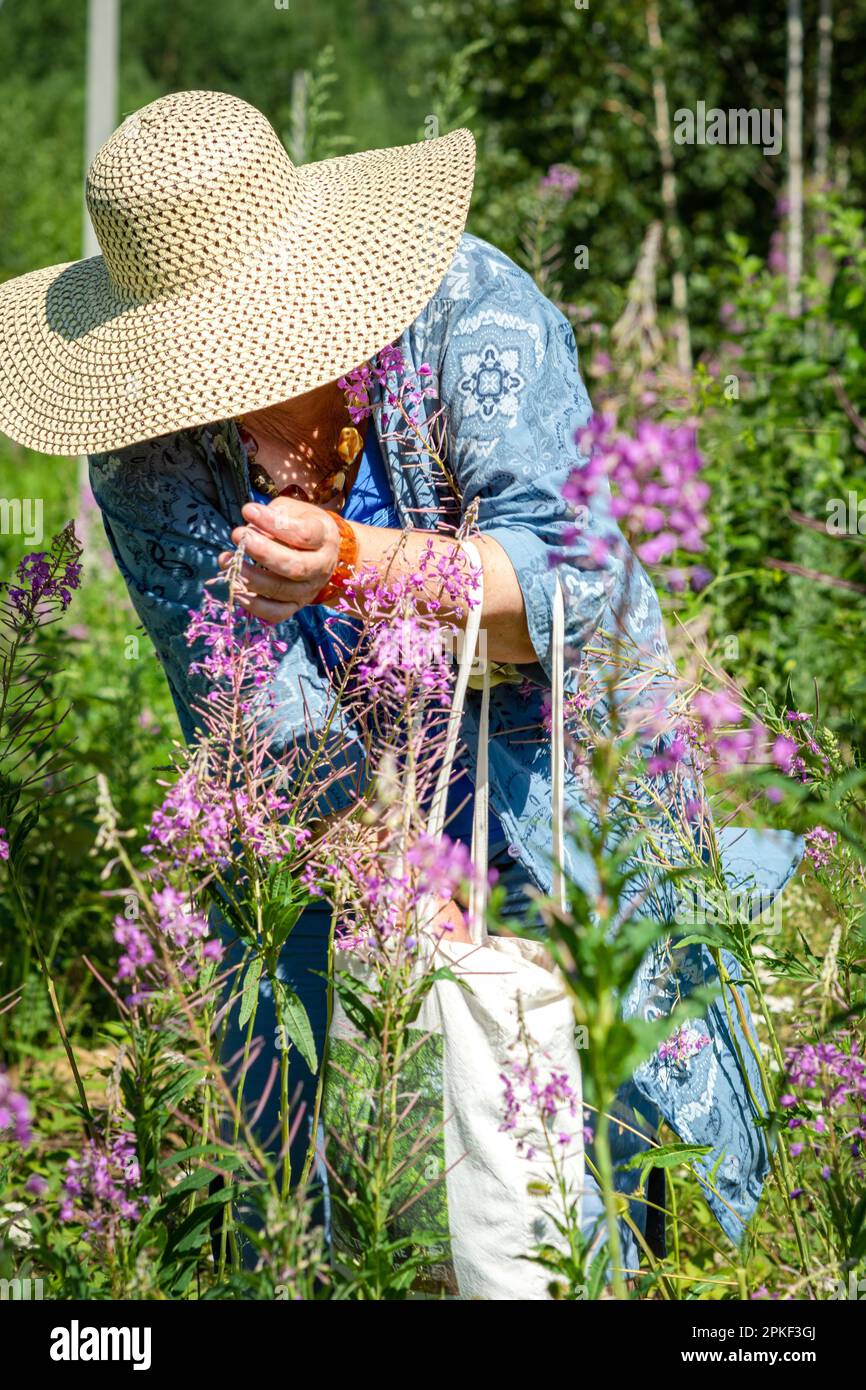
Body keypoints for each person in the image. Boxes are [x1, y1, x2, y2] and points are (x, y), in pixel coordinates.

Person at [0, 90, 802, 1264]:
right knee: (310, 1094)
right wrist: (403, 880)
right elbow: (249, 705)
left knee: (580, 1099)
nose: (200, 391)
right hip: (326, 791)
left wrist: (349, 563)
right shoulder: (143, 449)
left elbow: (572, 588)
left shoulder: (469, 317)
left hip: (548, 742)